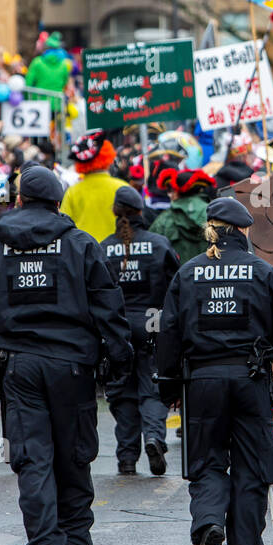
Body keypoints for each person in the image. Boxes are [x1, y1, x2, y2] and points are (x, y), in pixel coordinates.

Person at [0, 165, 133, 545]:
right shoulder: (80, 244)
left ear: (20, 199)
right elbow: (108, 306)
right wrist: (120, 359)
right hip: (72, 367)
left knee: (32, 459)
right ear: (59, 203)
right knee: (74, 456)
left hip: (18, 366)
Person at [155, 196, 273, 545]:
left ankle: (210, 522)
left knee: (207, 462)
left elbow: (168, 332)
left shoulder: (189, 273)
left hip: (201, 383)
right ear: (244, 232)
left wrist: (167, 385)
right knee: (252, 471)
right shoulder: (262, 272)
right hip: (251, 383)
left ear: (210, 230)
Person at [100, 185, 180, 476]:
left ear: (114, 212)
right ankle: (155, 438)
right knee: (154, 388)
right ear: (140, 211)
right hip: (153, 325)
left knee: (122, 394)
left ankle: (126, 458)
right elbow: (175, 292)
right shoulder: (159, 245)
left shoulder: (103, 248)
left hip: (117, 329)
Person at [60, 131, 127, 242]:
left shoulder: (72, 192)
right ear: (108, 156)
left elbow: (64, 223)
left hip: (84, 250)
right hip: (116, 250)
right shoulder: (122, 187)